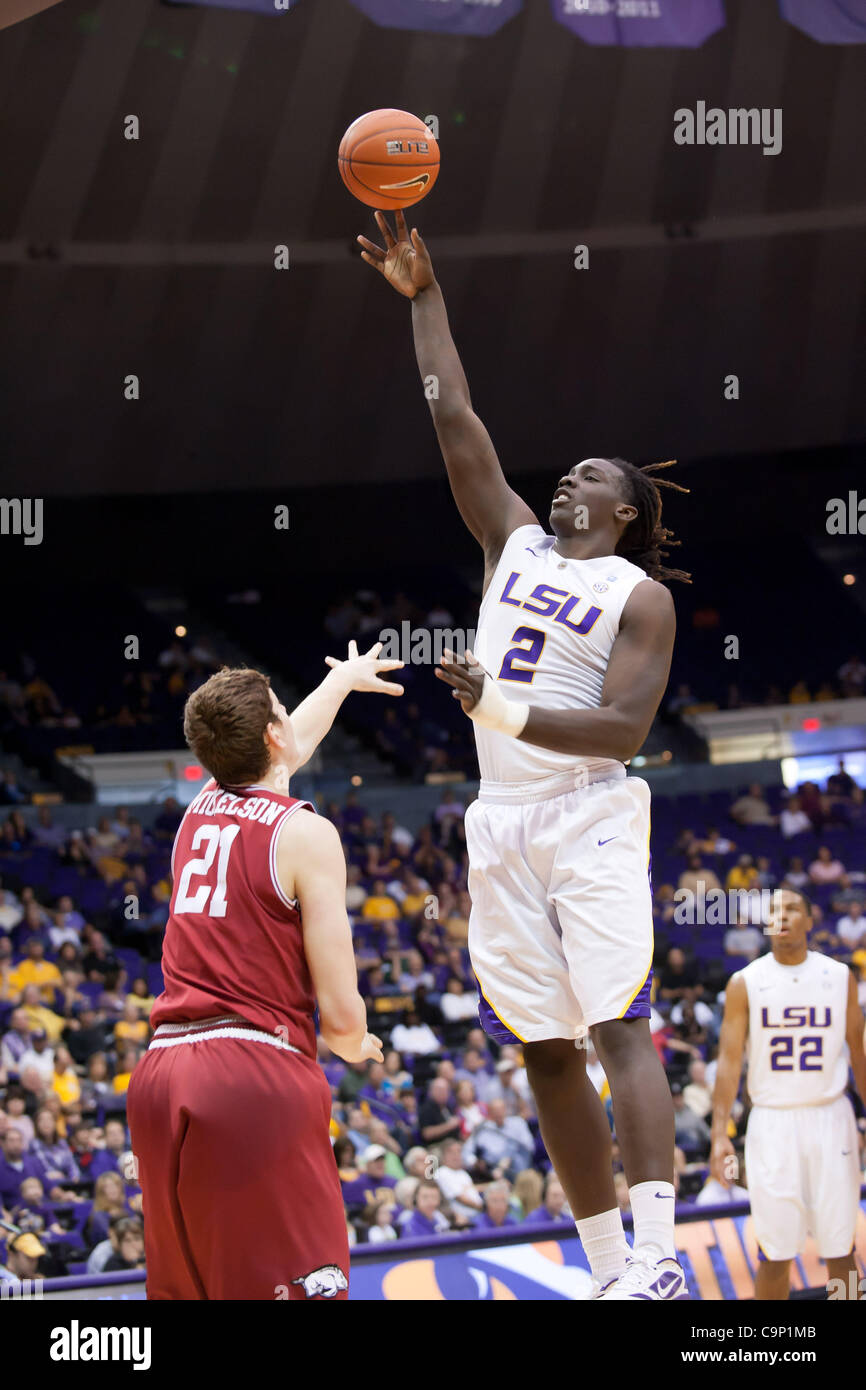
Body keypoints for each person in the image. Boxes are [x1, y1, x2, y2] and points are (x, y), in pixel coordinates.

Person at [359, 208, 691, 1301]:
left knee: (614, 1022)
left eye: (592, 478)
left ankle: (658, 1255)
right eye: (565, 475)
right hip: (499, 822)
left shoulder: (636, 596)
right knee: (544, 1047)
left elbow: (623, 732)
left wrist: (500, 710)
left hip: (588, 804)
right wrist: (424, 299)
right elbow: (453, 413)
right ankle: (608, 1274)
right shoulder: (512, 540)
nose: (566, 483)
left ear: (629, 513)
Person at [127, 644, 405, 1301]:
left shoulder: (195, 813)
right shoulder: (307, 835)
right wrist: (355, 1042)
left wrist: (338, 681)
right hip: (249, 1075)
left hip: (162, 1077)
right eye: (282, 710)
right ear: (274, 736)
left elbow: (285, 748)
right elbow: (339, 1018)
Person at [710, 889, 866, 1300]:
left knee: (840, 1248)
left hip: (831, 1117)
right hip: (771, 1121)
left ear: (810, 920)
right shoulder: (745, 982)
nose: (781, 916)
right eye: (774, 910)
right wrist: (719, 1134)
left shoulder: (839, 977)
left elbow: (858, 1052)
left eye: (792, 908)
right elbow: (728, 1063)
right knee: (774, 1253)